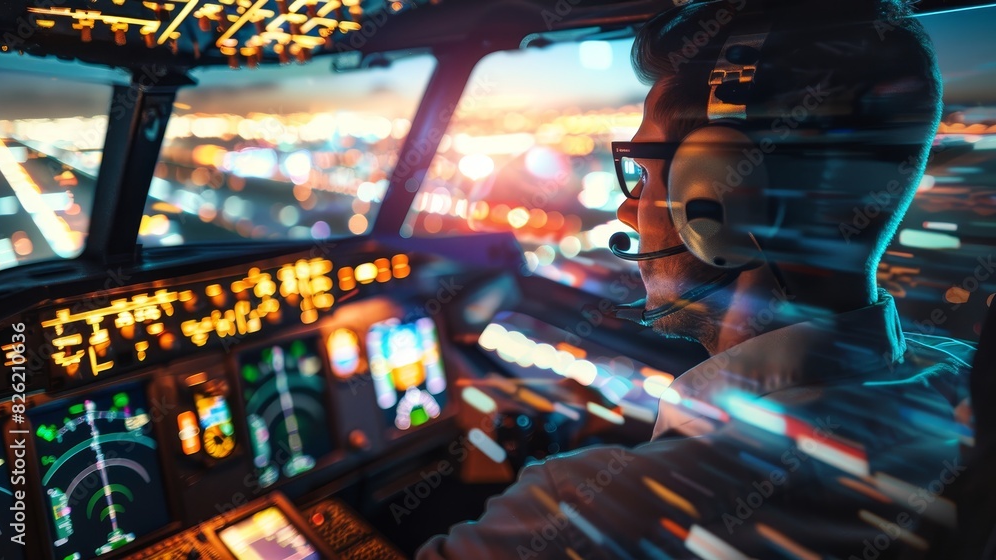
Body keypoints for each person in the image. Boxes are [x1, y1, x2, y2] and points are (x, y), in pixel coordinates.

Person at [417, 0, 974, 558]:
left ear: (723, 198)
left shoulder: (590, 515)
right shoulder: (967, 380)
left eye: (642, 174)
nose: (628, 213)